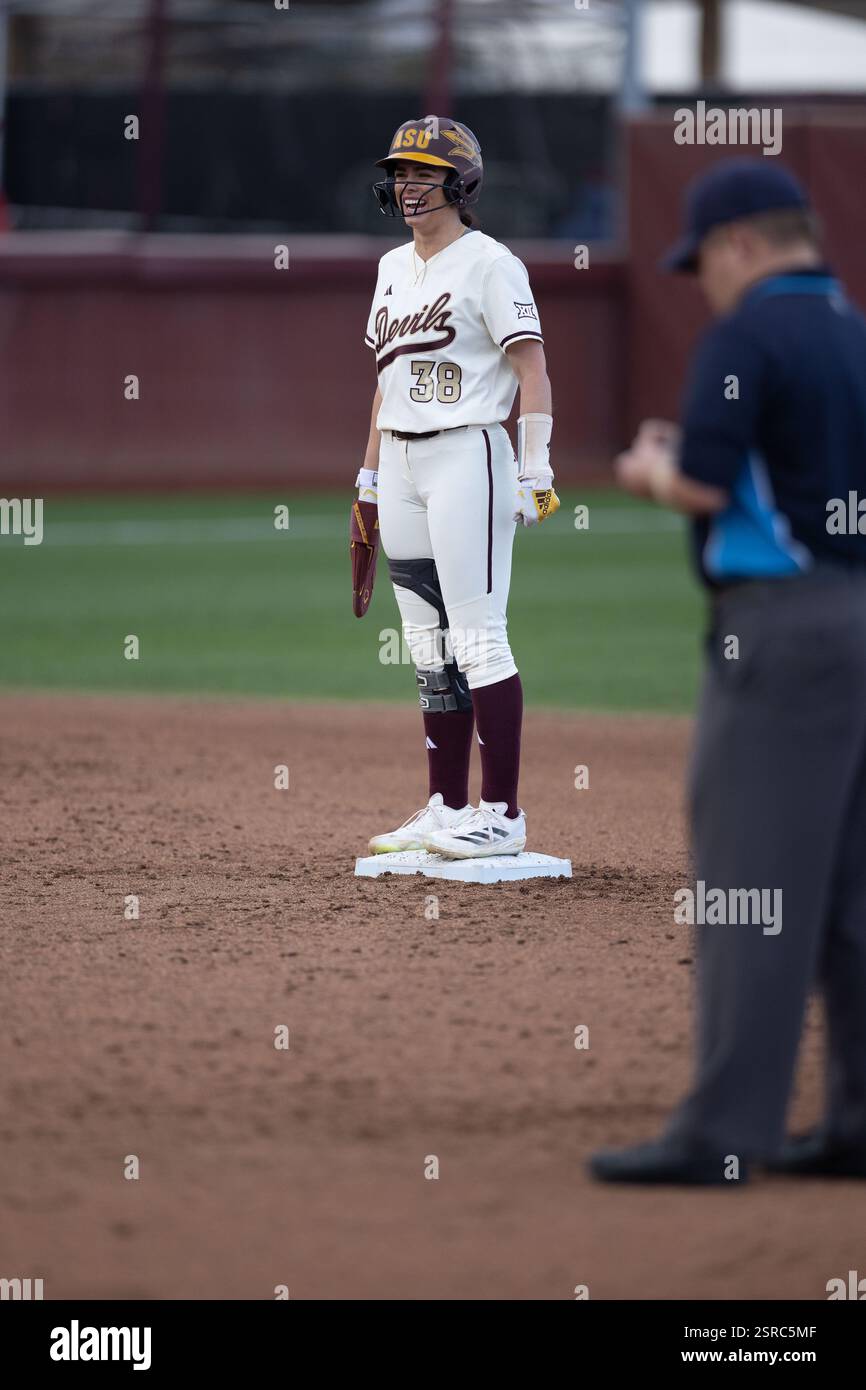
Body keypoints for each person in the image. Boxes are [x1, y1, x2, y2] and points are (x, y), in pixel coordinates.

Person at [590, 158, 866, 1185]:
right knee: (849, 892)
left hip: (781, 633)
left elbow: (703, 480)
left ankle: (724, 1133)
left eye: (701, 258)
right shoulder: (851, 331)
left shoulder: (744, 336)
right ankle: (853, 1119)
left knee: (747, 885)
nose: (699, 279)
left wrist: (645, 469)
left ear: (740, 245)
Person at [350, 116, 559, 860]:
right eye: (401, 171)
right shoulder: (390, 268)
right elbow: (385, 384)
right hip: (403, 461)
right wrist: (368, 481)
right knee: (426, 642)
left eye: (423, 172)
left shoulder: (490, 264)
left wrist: (536, 466)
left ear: (459, 182)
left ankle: (501, 812)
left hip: (468, 453)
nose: (408, 184)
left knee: (476, 635)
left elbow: (531, 366)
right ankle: (445, 804)